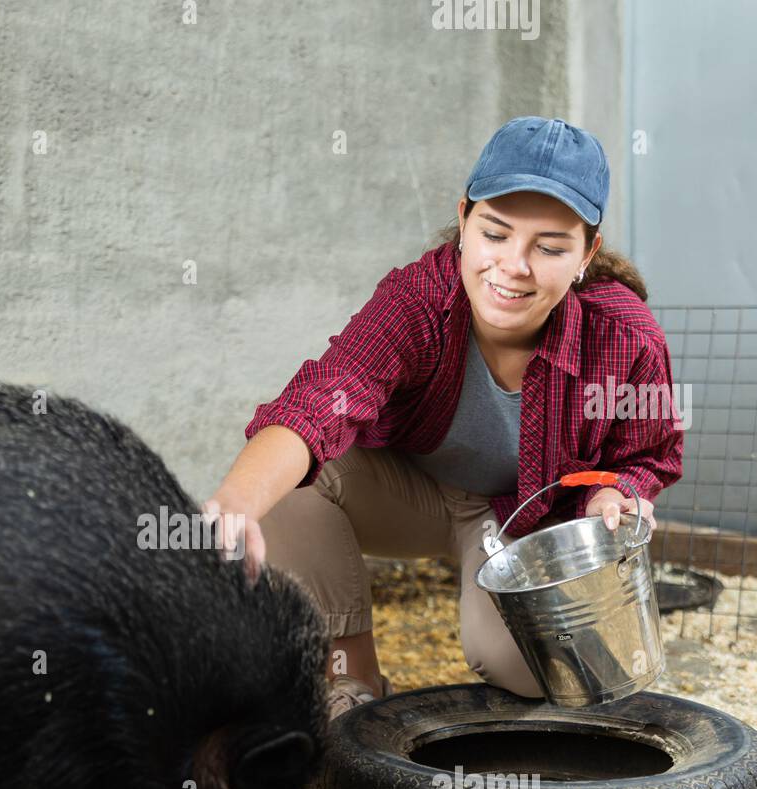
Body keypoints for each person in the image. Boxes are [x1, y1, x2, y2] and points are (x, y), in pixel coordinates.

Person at [201, 116, 684, 720]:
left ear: (588, 251)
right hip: (408, 496)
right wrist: (237, 503)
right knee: (299, 480)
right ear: (463, 221)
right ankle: (352, 686)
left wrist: (616, 494)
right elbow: (323, 398)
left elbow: (648, 455)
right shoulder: (418, 300)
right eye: (496, 234)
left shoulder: (624, 335)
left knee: (527, 673)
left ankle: (501, 627)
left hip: (518, 523)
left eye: (550, 247)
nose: (514, 266)